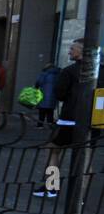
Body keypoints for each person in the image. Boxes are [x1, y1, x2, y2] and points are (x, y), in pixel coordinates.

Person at [37, 39, 86, 199]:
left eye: (73, 48)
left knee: (53, 150)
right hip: (91, 121)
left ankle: (52, 186)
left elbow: (60, 94)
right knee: (86, 155)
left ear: (81, 51)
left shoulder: (69, 71)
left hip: (69, 119)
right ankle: (80, 194)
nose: (70, 51)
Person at [34, 60, 60, 127]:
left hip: (43, 95)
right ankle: (50, 125)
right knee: (50, 112)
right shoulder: (58, 74)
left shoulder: (44, 73)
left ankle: (40, 125)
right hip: (53, 96)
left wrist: (36, 87)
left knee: (42, 112)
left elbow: (38, 82)